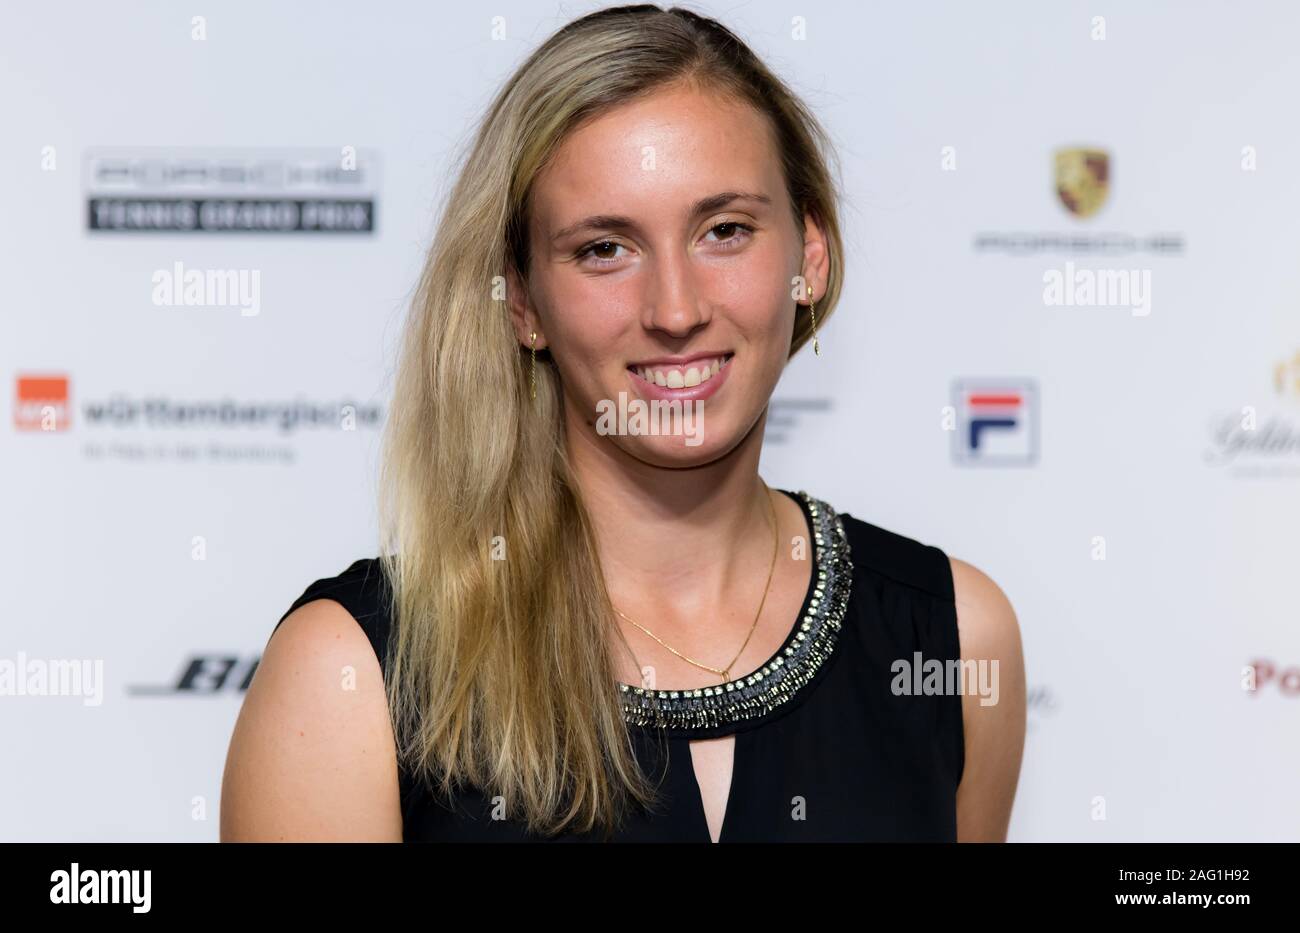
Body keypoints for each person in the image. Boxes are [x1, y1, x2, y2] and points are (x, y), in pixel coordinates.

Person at [220, 3, 1025, 843]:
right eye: (605, 248)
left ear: (809, 257)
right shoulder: (352, 673)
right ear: (522, 299)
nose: (675, 309)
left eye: (725, 230)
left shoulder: (956, 638)